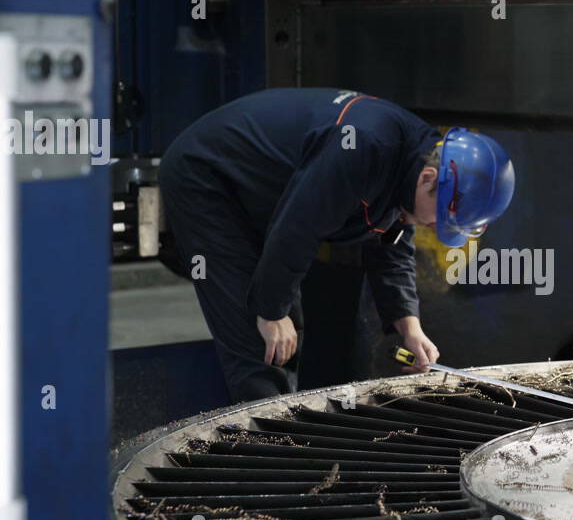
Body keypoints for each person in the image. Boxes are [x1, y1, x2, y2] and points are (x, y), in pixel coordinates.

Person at [159, 88, 515, 403]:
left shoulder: (416, 157)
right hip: (208, 177)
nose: (435, 228)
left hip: (263, 195)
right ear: (428, 179)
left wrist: (409, 326)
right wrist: (270, 310)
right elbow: (299, 225)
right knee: (260, 341)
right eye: (440, 218)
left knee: (285, 333)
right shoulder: (364, 144)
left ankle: (283, 440)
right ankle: (272, 460)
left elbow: (392, 239)